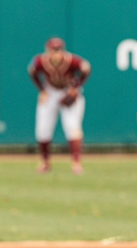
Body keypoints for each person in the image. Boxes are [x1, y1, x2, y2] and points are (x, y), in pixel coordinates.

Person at [28, 37, 91, 174]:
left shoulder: (71, 60)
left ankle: (76, 163)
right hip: (50, 92)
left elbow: (86, 68)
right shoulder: (40, 61)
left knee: (73, 127)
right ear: (47, 50)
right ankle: (45, 163)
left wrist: (76, 87)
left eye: (58, 49)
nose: (55, 53)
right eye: (53, 50)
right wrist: (42, 90)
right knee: (43, 129)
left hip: (67, 91)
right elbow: (31, 71)